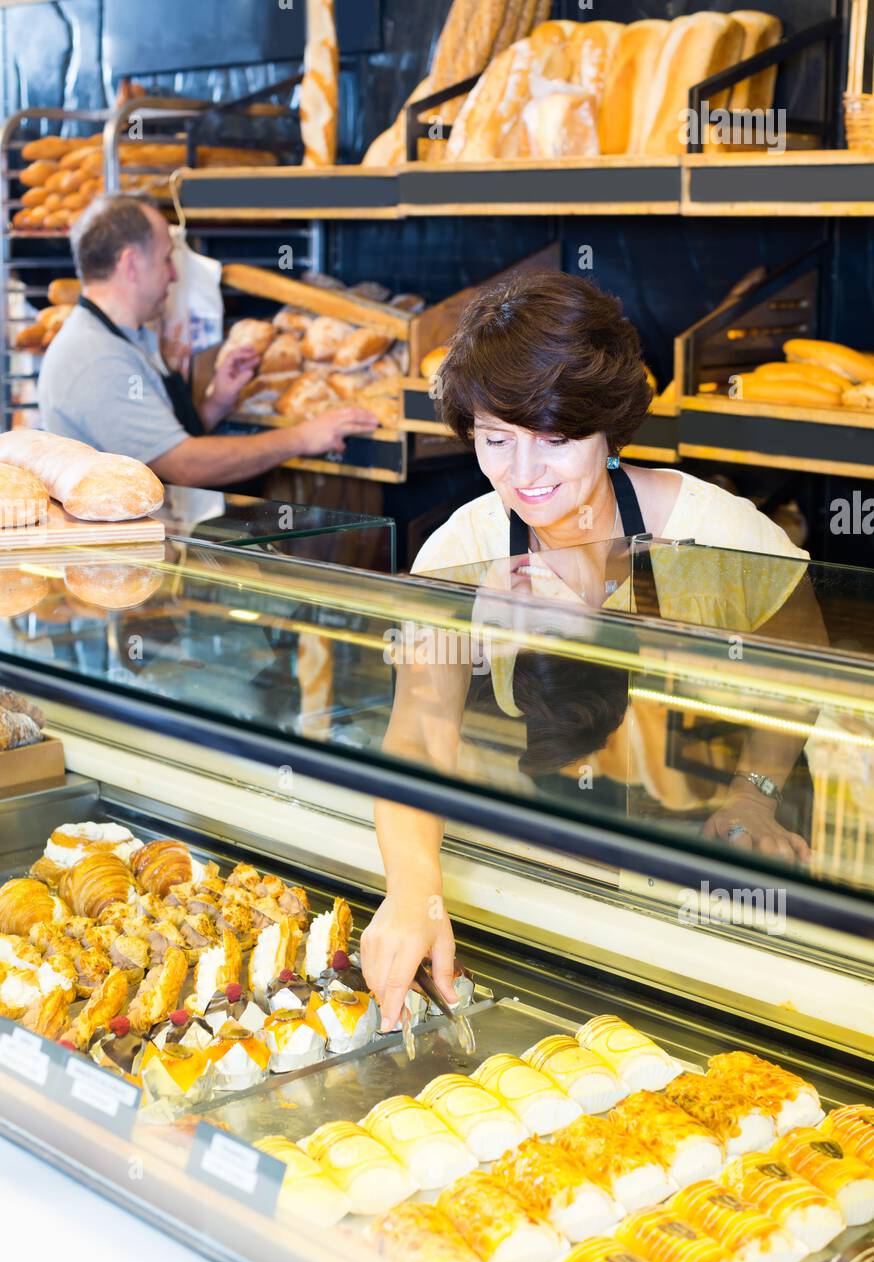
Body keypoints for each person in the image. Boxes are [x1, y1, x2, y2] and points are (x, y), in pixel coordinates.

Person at [360, 269, 827, 1030]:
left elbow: (800, 677)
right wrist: (415, 890)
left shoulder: (721, 536)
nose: (523, 475)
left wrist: (755, 794)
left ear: (607, 426)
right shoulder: (462, 550)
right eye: (495, 442)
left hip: (718, 858)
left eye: (556, 439)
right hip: (543, 859)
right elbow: (418, 733)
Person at [38, 195, 377, 485]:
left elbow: (156, 440)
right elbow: (184, 465)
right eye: (166, 258)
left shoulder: (130, 336)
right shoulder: (97, 357)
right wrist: (303, 437)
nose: (173, 274)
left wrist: (218, 402)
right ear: (130, 264)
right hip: (112, 554)